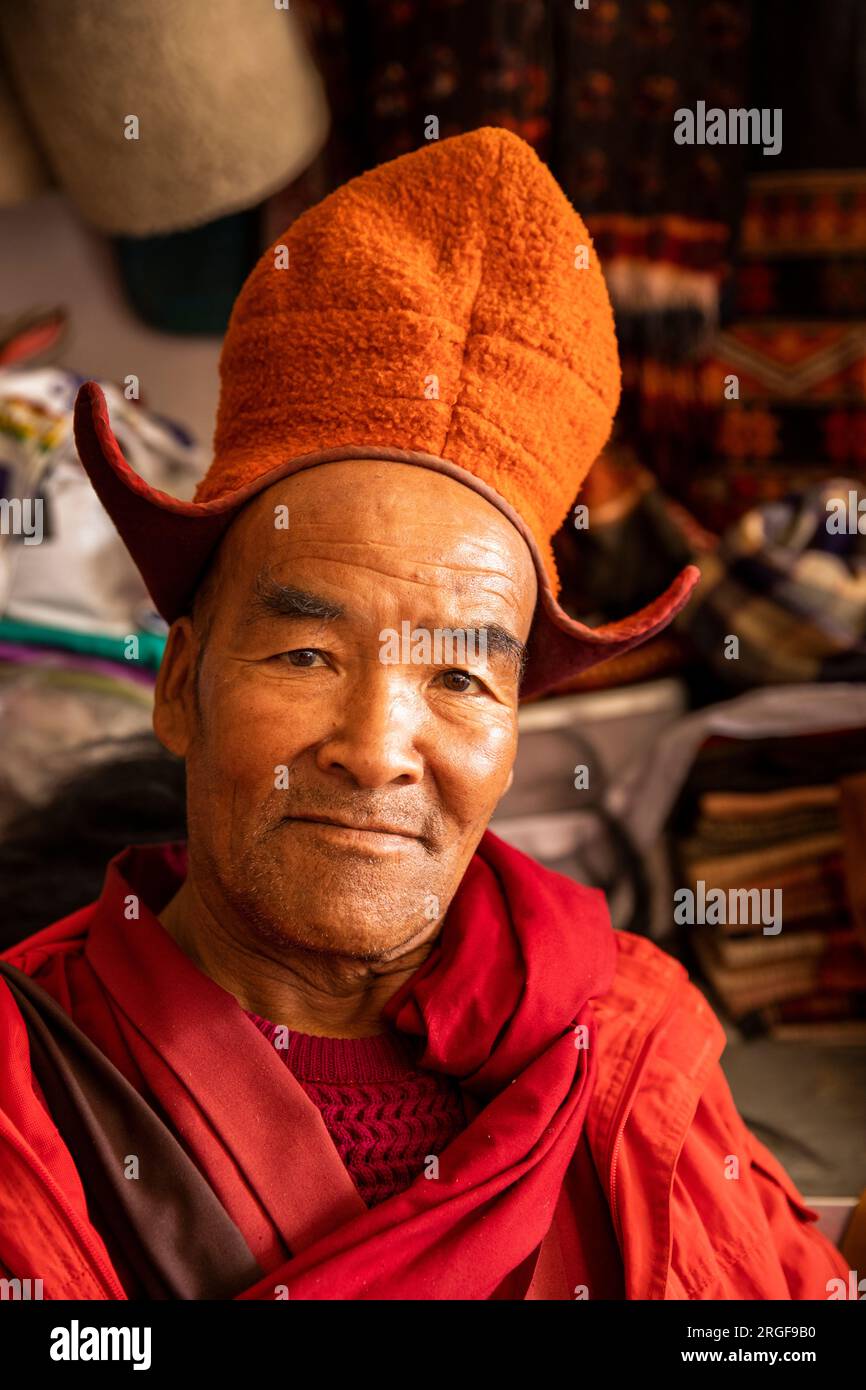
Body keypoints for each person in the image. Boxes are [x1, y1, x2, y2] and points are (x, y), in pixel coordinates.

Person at [0, 127, 849, 1301]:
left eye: (459, 677)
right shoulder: (25, 1085)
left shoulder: (622, 1034)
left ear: (511, 731)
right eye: (305, 650)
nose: (375, 747)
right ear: (178, 683)